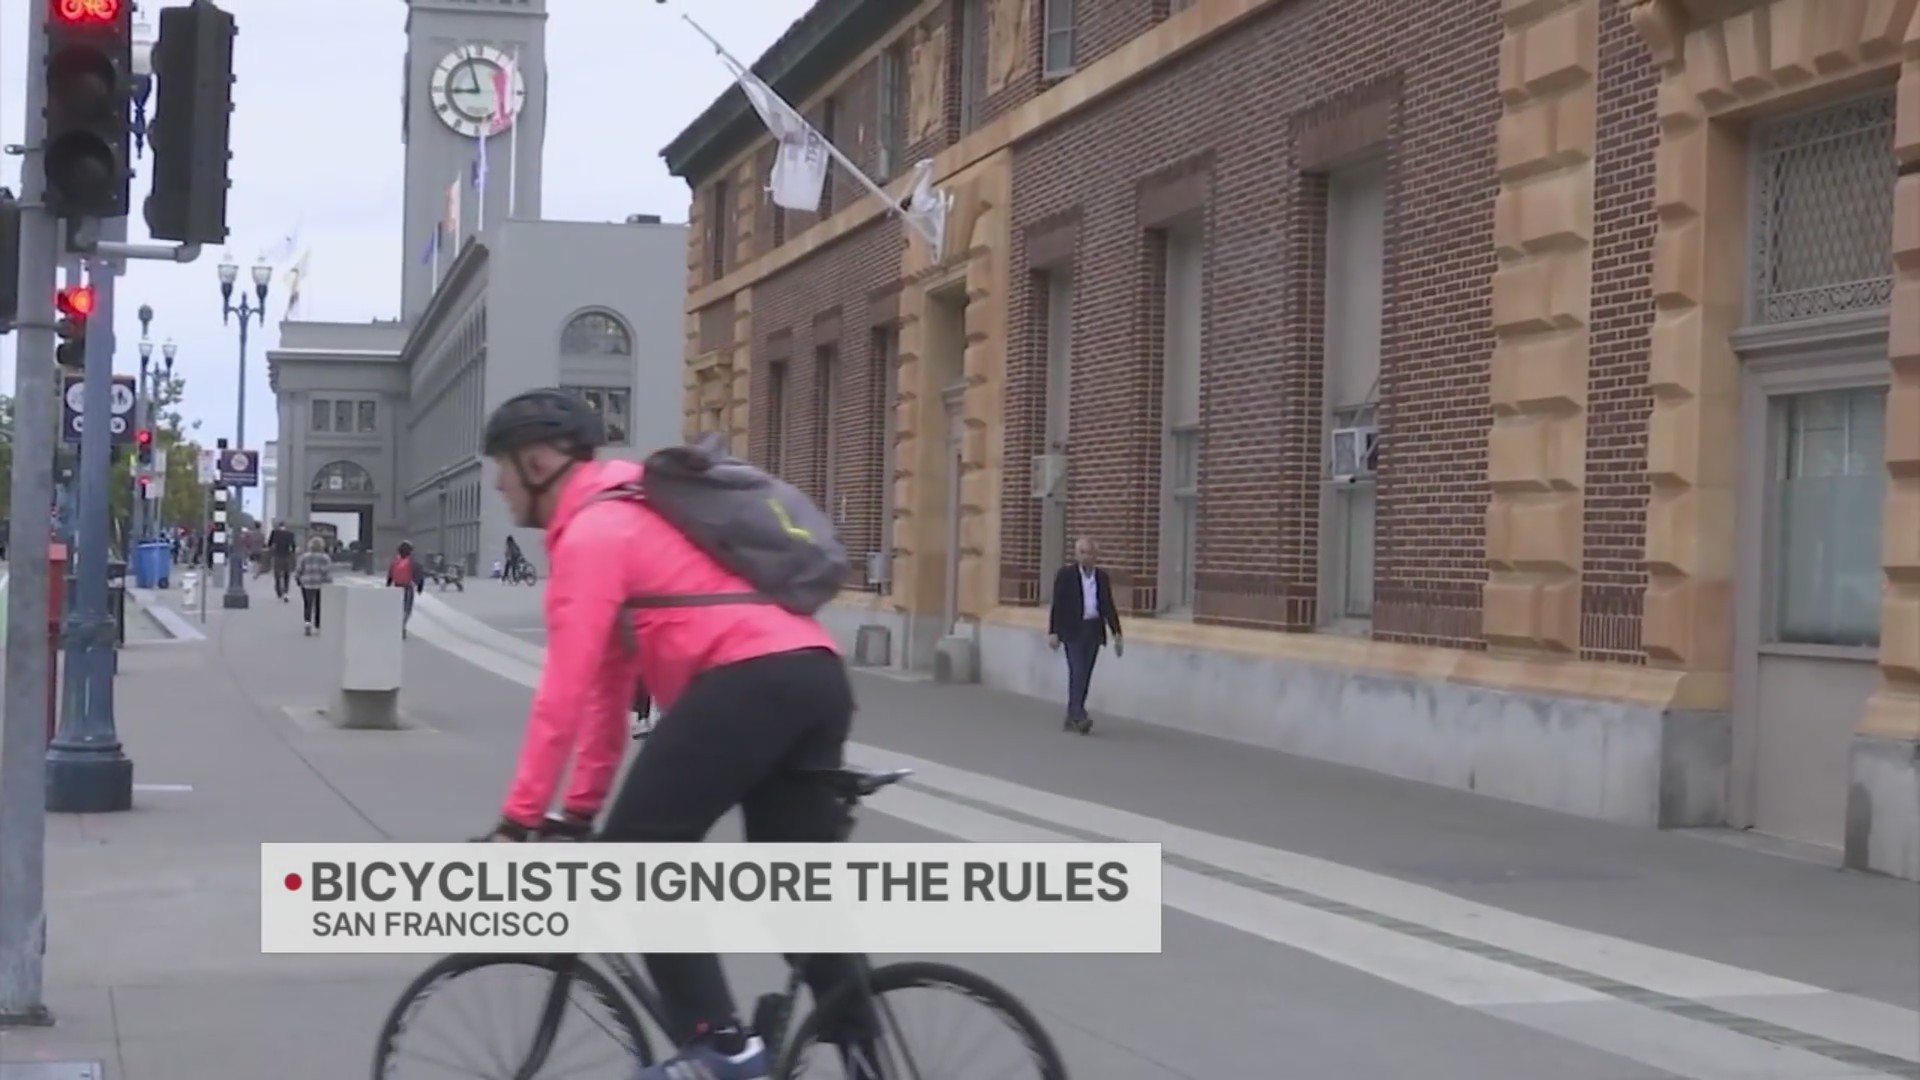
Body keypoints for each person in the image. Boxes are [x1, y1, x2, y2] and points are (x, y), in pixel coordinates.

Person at [478, 388, 860, 1080]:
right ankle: (872, 1050)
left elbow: (562, 692)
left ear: (536, 463)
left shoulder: (593, 535)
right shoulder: (635, 511)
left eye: (501, 467)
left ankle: (720, 1049)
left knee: (639, 859)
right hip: (813, 675)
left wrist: (518, 820)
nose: (499, 486)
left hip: (748, 680)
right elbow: (606, 689)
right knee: (793, 898)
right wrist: (578, 812)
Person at [1047, 536, 1123, 734]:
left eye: (1089, 553)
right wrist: (1053, 631)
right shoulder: (1066, 575)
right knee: (1078, 671)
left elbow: (1108, 606)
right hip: (1073, 630)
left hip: (1093, 629)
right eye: (1082, 553)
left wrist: (1117, 632)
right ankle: (1078, 714)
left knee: (1085, 673)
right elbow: (1058, 604)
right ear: (1076, 554)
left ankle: (1073, 714)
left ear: (1095, 555)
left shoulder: (1101, 577)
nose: (1086, 557)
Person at [295, 536, 332, 635]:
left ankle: (307, 623)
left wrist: (297, 579)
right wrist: (329, 581)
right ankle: (317, 625)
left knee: (307, 604)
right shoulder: (325, 557)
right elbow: (327, 571)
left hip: (306, 583)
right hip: (320, 584)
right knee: (319, 605)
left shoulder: (304, 557)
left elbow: (299, 569)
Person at [386, 540, 420, 638]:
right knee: (407, 609)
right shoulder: (412, 561)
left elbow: (390, 574)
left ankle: (398, 625)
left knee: (398, 608)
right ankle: (403, 625)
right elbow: (418, 574)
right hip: (408, 587)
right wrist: (419, 585)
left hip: (397, 587)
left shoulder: (395, 561)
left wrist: (388, 585)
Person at [266, 520, 297, 601]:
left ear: (278, 526)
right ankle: (286, 591)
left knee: (277, 573)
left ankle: (278, 590)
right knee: (287, 574)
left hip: (277, 555)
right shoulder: (290, 534)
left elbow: (269, 544)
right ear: (285, 526)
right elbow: (293, 546)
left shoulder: (274, 532)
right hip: (287, 556)